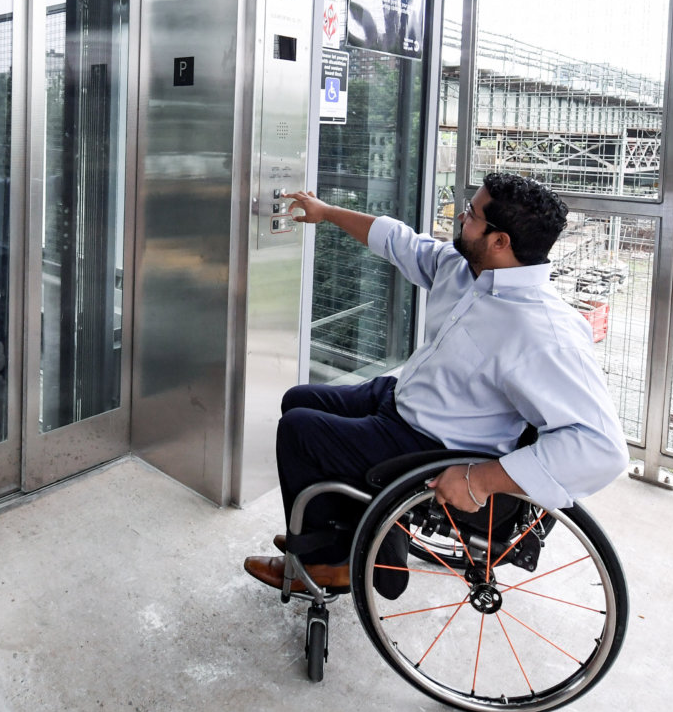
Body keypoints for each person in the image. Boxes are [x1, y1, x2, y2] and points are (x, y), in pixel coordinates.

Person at [242, 171, 630, 593]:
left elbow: (601, 449)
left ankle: (326, 563)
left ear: (500, 242)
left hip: (432, 441)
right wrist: (327, 212)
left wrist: (480, 479)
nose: (461, 218)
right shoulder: (467, 270)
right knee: (299, 398)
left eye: (473, 215)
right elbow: (400, 242)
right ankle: (346, 533)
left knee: (300, 431)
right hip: (407, 399)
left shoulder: (544, 334)